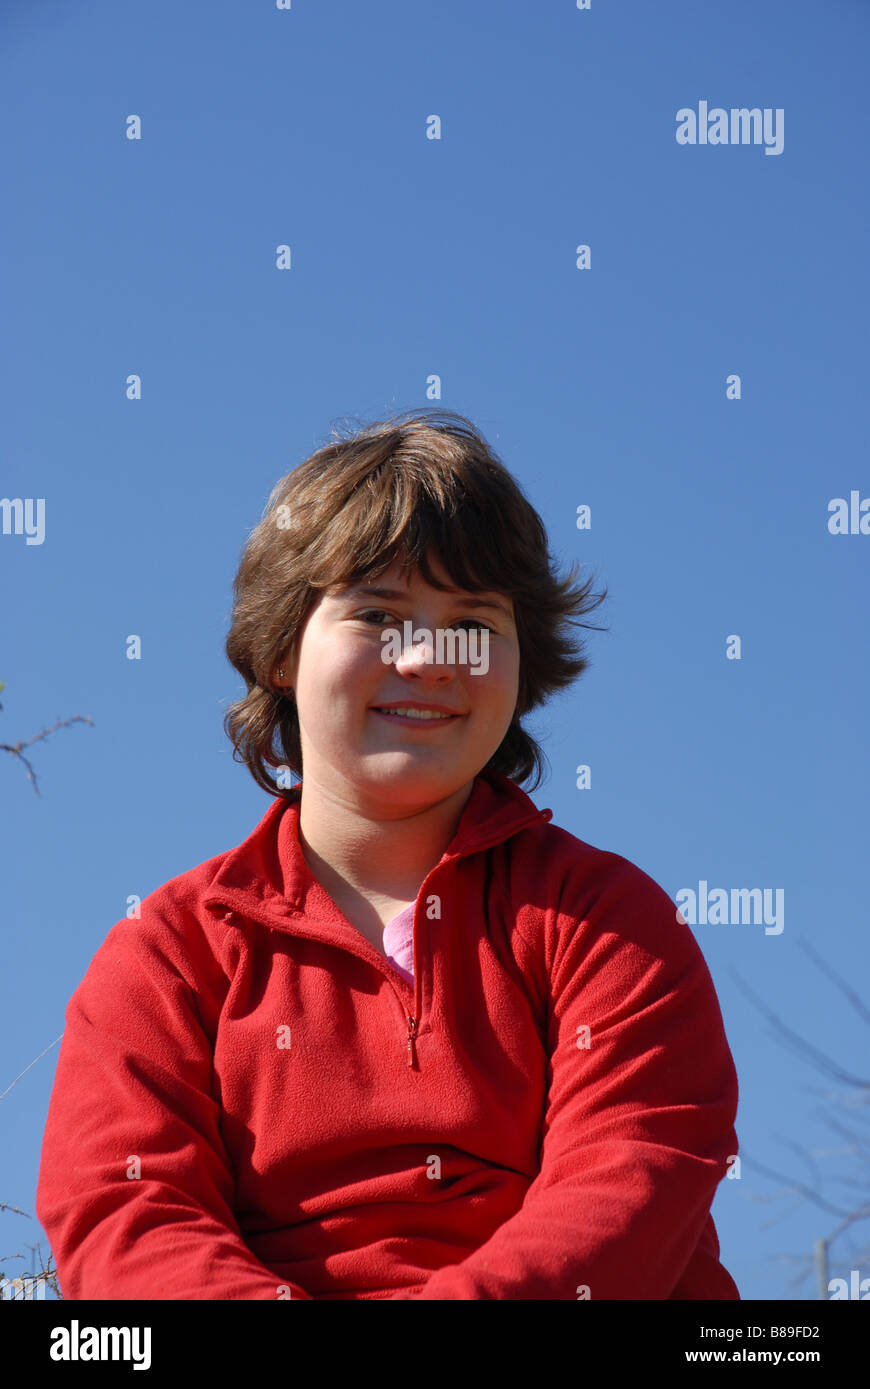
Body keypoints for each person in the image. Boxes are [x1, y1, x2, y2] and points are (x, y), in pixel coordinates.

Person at [36, 409, 740, 1300]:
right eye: (377, 613)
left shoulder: (607, 922)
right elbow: (126, 1219)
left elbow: (634, 1180)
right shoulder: (170, 954)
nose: (430, 659)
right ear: (284, 647)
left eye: (473, 623)